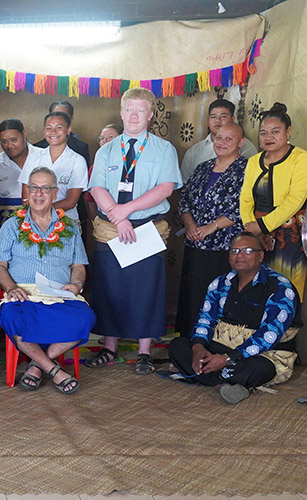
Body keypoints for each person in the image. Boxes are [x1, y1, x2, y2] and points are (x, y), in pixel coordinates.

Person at [86, 88, 182, 374]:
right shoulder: (107, 150)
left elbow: (165, 188)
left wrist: (127, 212)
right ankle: (109, 346)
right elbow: (98, 187)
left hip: (147, 227)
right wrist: (119, 218)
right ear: (121, 112)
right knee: (108, 287)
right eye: (129, 109)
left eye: (141, 110)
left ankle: (144, 350)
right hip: (110, 227)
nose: (134, 115)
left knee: (146, 289)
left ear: (150, 115)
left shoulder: (164, 149)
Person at [0, 167, 94, 394]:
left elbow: (78, 265)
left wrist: (77, 284)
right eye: (34, 188)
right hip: (24, 293)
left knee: (86, 318)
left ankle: (38, 366)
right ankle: (55, 371)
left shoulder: (69, 227)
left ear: (55, 192)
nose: (38, 194)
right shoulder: (11, 225)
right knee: (11, 316)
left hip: (59, 294)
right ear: (27, 192)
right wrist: (10, 288)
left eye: (45, 189)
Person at [168, 232, 300, 404]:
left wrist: (228, 359)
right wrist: (198, 347)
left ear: (260, 255)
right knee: (178, 346)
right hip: (222, 345)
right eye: (234, 251)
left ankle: (204, 375)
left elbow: (269, 334)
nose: (239, 255)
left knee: (257, 370)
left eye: (247, 250)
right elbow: (205, 319)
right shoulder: (220, 283)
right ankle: (221, 384)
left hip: (263, 353)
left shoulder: (280, 287)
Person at [175, 123, 247, 336]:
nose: (221, 143)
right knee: (194, 294)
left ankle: (215, 345)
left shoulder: (246, 169)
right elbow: (184, 201)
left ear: (240, 143)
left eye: (228, 139)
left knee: (219, 297)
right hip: (195, 243)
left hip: (225, 247)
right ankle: (190, 345)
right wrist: (189, 224)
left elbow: (243, 208)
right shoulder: (203, 167)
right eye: (218, 137)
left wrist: (211, 227)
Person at [239, 102, 307, 299]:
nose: (268, 137)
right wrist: (251, 229)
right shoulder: (254, 161)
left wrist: (262, 226)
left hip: (289, 237)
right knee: (255, 289)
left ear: (288, 132)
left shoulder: (301, 158)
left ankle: (285, 328)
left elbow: (296, 199)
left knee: (286, 291)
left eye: (275, 132)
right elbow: (245, 199)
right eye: (263, 133)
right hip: (255, 234)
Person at [18, 112, 89, 222]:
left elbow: (70, 201)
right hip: (35, 220)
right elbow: (26, 197)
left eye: (59, 127)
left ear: (69, 129)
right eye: (49, 128)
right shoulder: (33, 158)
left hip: (66, 220)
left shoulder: (77, 160)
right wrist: (38, 215)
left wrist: (41, 211)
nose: (53, 132)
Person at [0, 119, 44, 249]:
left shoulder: (43, 156)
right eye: (4, 141)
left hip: (38, 218)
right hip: (2, 220)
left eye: (14, 140)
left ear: (24, 134)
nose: (9, 145)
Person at [180, 99, 258, 181]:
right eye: (213, 117)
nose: (218, 120)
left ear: (233, 119)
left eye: (223, 116)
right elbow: (185, 184)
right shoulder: (194, 151)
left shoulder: (246, 147)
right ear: (208, 120)